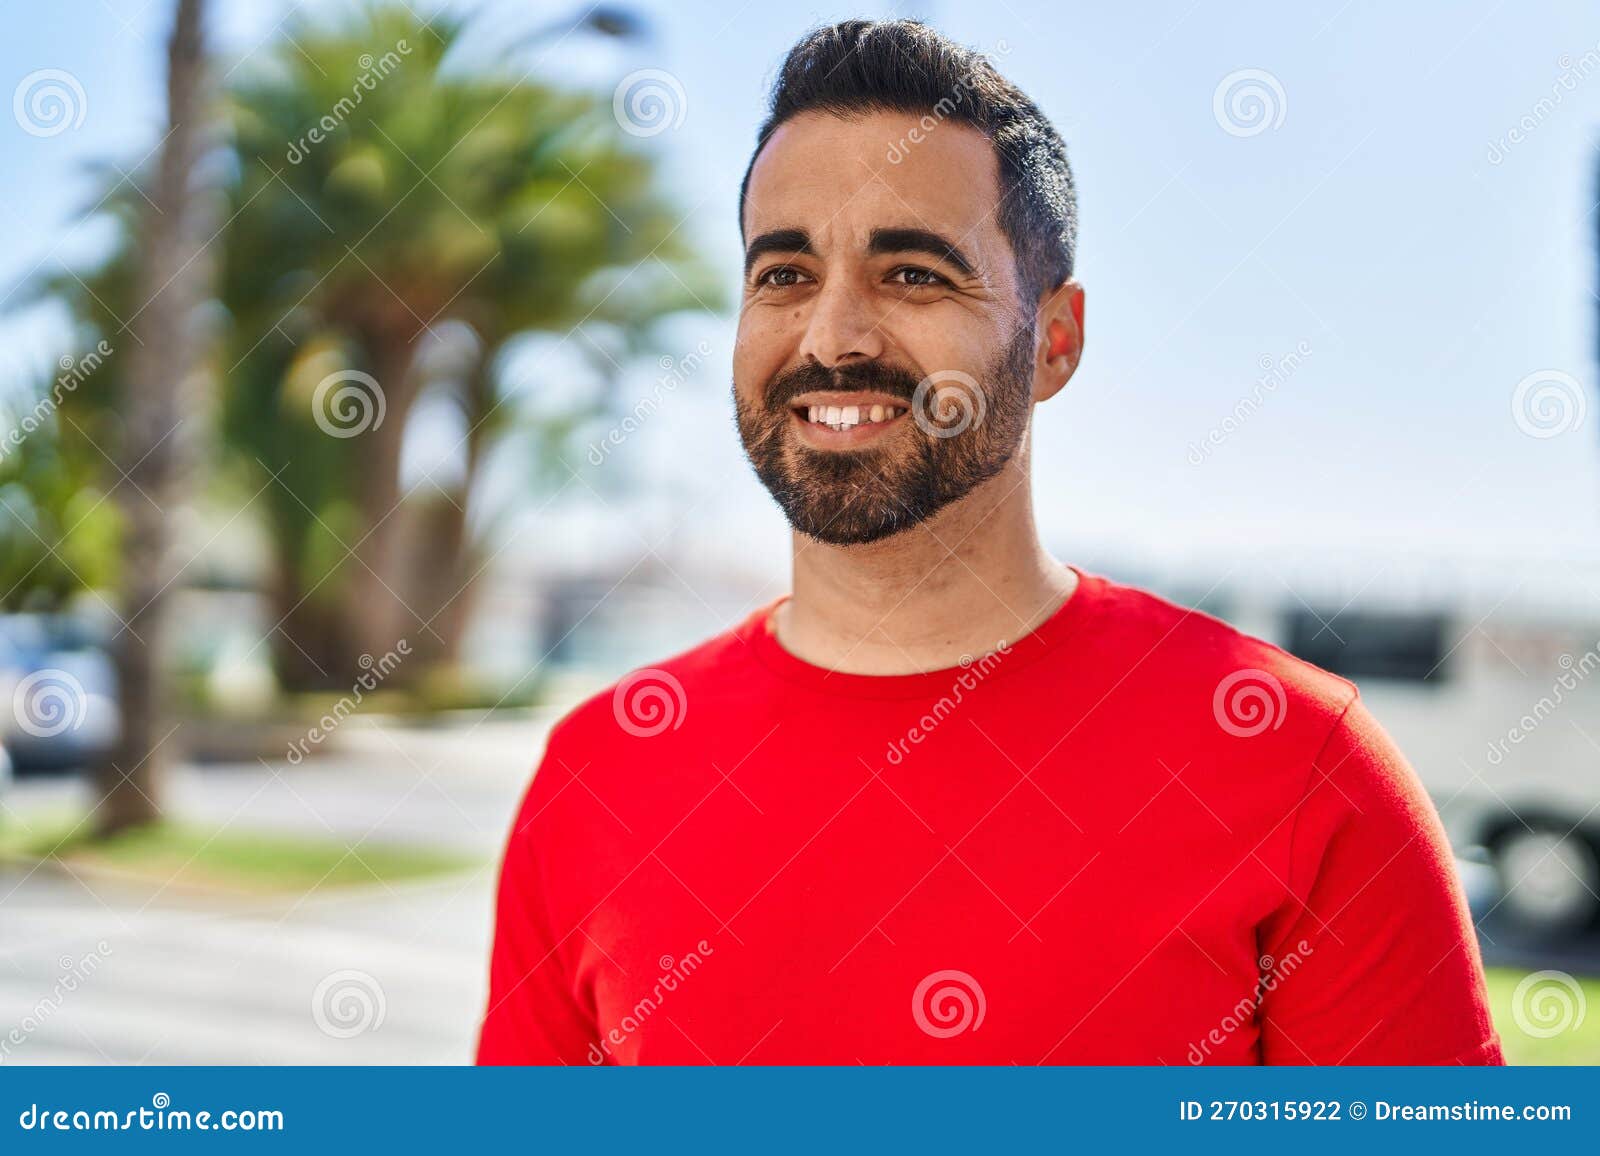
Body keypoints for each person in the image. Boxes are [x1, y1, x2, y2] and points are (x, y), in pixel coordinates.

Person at [477, 18, 1502, 1065]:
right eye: (782, 275)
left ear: (1053, 340)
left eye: (913, 274)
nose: (832, 337)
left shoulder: (1295, 766)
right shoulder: (599, 772)